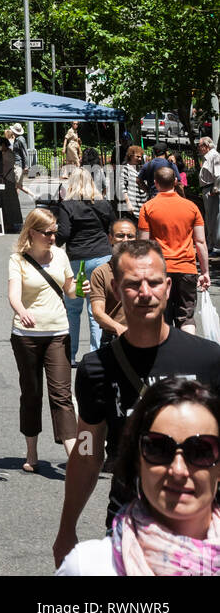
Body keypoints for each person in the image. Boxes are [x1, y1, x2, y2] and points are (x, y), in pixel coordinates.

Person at [53, 238, 220, 567]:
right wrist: (67, 527)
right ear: (116, 288)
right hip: (128, 530)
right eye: (133, 284)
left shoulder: (208, 360)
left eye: (154, 282)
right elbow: (87, 454)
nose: (146, 292)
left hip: (200, 532)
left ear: (168, 287)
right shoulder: (96, 368)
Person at [57, 377, 220, 576]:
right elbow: (86, 454)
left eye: (201, 451)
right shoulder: (87, 567)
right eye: (158, 448)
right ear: (137, 460)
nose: (178, 470)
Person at [8, 208, 79, 473]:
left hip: (58, 332)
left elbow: (70, 291)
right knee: (31, 393)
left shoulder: (61, 255)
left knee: (62, 394)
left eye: (54, 232)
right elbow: (14, 293)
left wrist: (81, 287)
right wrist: (21, 310)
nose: (52, 237)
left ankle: (74, 457)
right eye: (47, 233)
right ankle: (32, 451)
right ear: (32, 232)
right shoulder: (18, 259)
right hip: (26, 336)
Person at [138, 166, 210, 333]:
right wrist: (205, 272)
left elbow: (142, 243)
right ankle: (187, 355)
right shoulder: (191, 207)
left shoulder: (148, 208)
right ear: (176, 181)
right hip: (187, 268)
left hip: (158, 269)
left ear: (155, 183)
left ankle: (165, 356)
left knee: (161, 315)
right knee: (186, 316)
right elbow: (200, 241)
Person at [56, 167, 115, 361]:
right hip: (101, 258)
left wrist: (53, 246)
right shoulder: (102, 203)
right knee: (96, 309)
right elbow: (113, 228)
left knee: (73, 309)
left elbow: (63, 234)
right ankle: (96, 354)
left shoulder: (67, 205)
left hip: (77, 260)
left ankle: (70, 355)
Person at [89, 214, 139, 344]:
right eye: (120, 236)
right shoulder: (101, 273)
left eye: (130, 236)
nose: (125, 240)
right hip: (113, 338)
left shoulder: (147, 270)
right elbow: (97, 311)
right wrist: (118, 327)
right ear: (110, 238)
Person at [198, 137, 220, 256]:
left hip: (211, 190)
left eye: (200, 145)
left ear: (206, 146)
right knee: (210, 218)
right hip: (208, 189)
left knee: (214, 218)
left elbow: (218, 174)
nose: (199, 148)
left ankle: (216, 246)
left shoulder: (214, 155)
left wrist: (215, 188)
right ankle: (212, 245)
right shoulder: (209, 156)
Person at [121, 145, 148, 218]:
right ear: (130, 156)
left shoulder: (141, 169)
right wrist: (128, 203)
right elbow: (122, 189)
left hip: (143, 204)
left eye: (141, 157)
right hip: (133, 207)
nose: (140, 159)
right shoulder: (125, 169)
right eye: (137, 157)